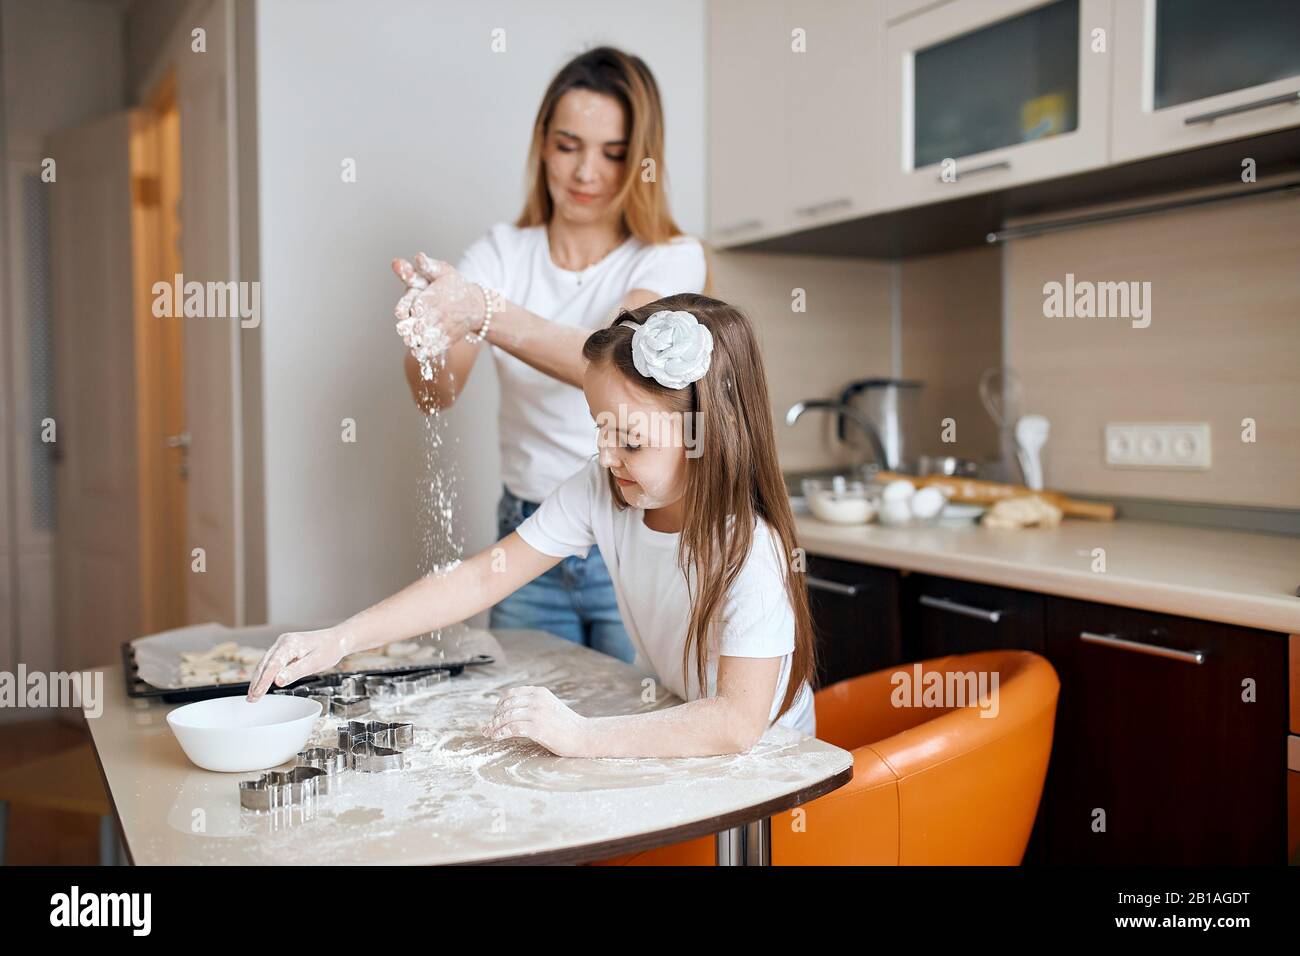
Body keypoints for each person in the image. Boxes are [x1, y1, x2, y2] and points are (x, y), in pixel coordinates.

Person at [248, 295, 817, 757]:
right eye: (600, 429)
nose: (607, 455)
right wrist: (338, 640)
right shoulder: (607, 488)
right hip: (688, 734)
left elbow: (734, 725)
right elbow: (480, 580)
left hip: (774, 763)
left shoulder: (752, 551)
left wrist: (580, 736)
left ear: (706, 436)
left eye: (631, 440)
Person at [390, 46, 707, 664]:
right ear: (542, 144)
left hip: (635, 529)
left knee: (634, 738)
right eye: (568, 146)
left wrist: (481, 311)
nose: (587, 172)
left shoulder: (669, 257)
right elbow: (436, 395)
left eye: (613, 154)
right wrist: (430, 327)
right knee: (523, 734)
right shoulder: (501, 253)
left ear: (641, 159)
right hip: (527, 541)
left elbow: (621, 364)